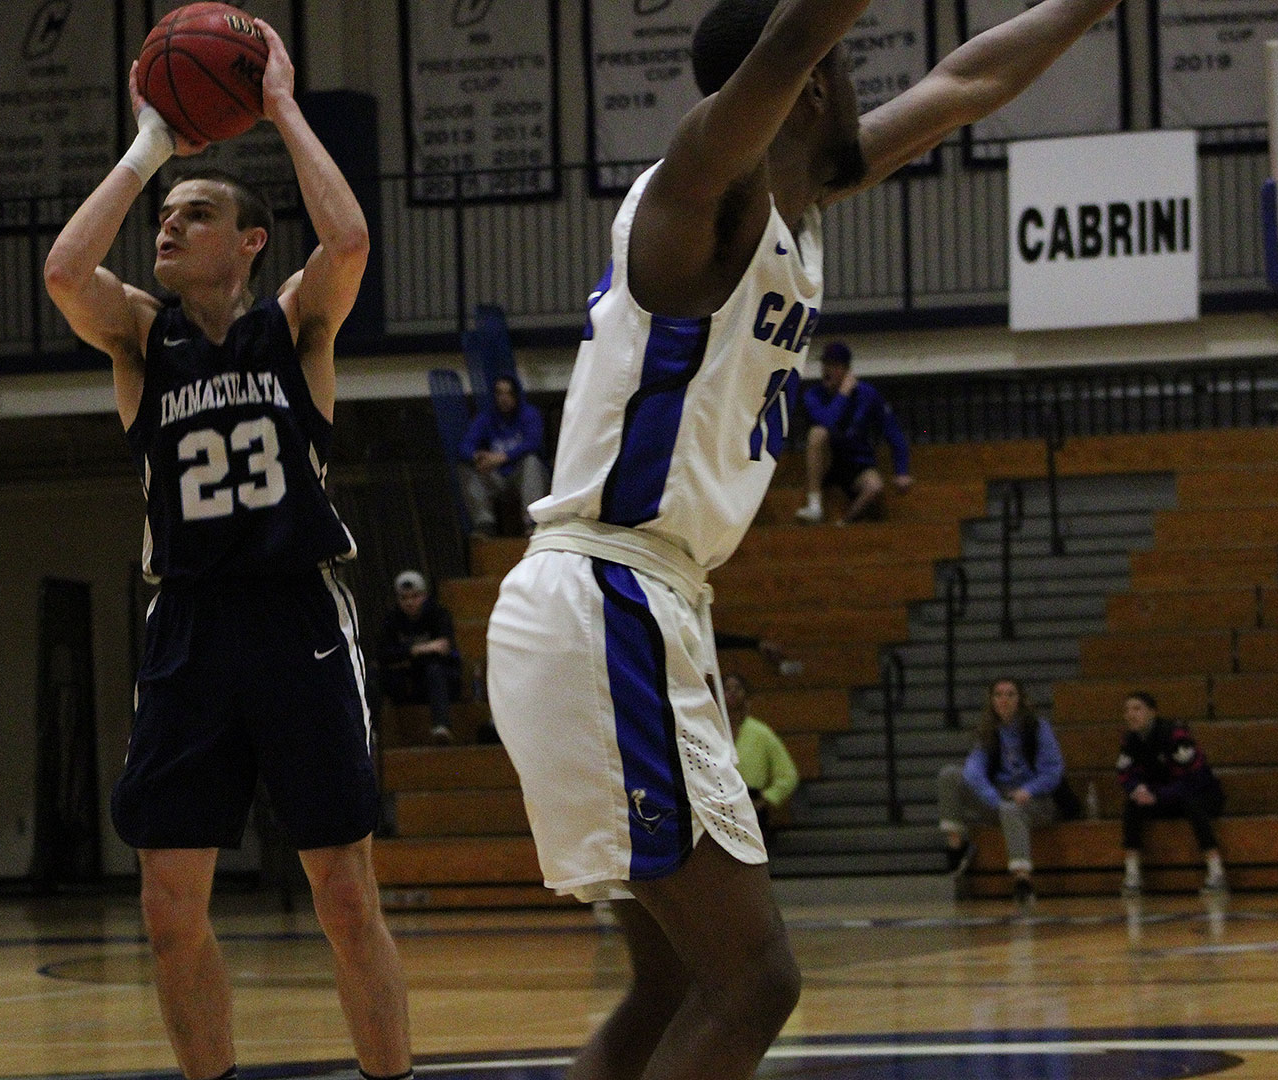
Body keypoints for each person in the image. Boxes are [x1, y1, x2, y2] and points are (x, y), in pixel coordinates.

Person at [481, 0, 1123, 1069]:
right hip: (606, 595)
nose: (872, 86)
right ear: (816, 79)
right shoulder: (698, 191)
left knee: (679, 983)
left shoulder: (798, 194)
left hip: (640, 601)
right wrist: (803, 41)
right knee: (757, 979)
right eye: (852, 64)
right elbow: (784, 44)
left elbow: (970, 82)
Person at [43, 18, 413, 1080]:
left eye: (195, 214)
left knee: (345, 893)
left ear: (249, 242)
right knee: (168, 909)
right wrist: (152, 148)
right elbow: (68, 270)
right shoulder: (140, 337)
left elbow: (346, 246)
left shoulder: (292, 328)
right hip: (192, 626)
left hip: (295, 613)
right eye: (164, 216)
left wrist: (284, 106)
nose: (167, 226)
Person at [937, 678, 1065, 904]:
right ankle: (957, 847)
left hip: (1037, 801)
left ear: (1021, 699)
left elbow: (1053, 771)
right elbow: (973, 770)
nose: (1003, 699)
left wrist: (1028, 790)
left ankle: (1022, 880)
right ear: (991, 700)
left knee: (1011, 809)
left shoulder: (1037, 727)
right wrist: (995, 799)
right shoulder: (989, 731)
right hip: (1003, 799)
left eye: (1010, 694)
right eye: (998, 694)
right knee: (950, 776)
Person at [1117, 690, 1227, 896]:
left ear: (1152, 712)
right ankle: (1132, 874)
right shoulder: (1129, 740)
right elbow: (1124, 772)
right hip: (1161, 796)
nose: (1131, 714)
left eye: (1137, 709)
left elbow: (1193, 780)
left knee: (1193, 803)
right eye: (1127, 710)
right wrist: (1137, 790)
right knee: (1132, 805)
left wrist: (1158, 795)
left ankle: (1216, 871)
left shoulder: (1175, 735)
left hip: (1202, 793)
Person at [795, 342, 912, 524]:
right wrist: (842, 394)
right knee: (817, 433)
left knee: (875, 486)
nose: (828, 370)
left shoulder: (867, 394)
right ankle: (814, 505)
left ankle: (845, 523)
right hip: (828, 461)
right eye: (825, 365)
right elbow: (827, 421)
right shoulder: (813, 395)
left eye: (834, 366)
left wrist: (902, 470)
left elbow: (893, 432)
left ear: (846, 369)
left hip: (856, 462)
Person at [377, 571, 462, 744]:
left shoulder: (438, 614)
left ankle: (441, 726)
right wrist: (422, 649)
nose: (409, 602)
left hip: (438, 679)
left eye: (415, 596)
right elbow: (384, 655)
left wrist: (407, 652)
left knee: (435, 670)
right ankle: (373, 732)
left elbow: (444, 647)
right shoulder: (392, 619)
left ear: (424, 596)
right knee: (375, 675)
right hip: (407, 680)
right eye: (404, 598)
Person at [459, 375, 549, 536]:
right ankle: (484, 524)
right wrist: (477, 456)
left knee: (531, 461)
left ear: (516, 395)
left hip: (523, 476)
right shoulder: (486, 418)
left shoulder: (529, 414)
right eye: (499, 393)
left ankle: (532, 522)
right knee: (467, 468)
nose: (504, 399)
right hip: (497, 477)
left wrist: (502, 457)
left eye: (508, 393)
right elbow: (465, 446)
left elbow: (533, 443)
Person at [722, 674, 799, 840]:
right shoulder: (711, 732)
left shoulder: (761, 733)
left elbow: (788, 775)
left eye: (737, 689)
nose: (732, 693)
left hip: (751, 804)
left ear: (747, 697)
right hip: (718, 806)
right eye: (727, 689)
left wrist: (765, 800)